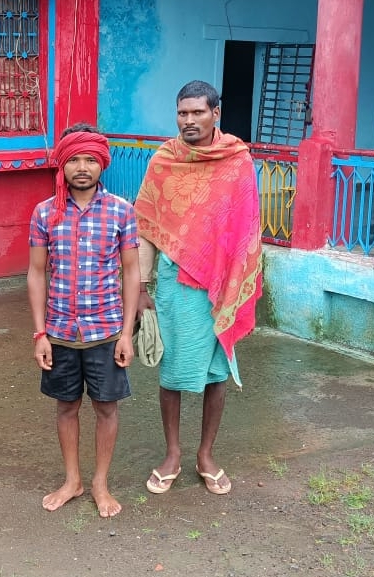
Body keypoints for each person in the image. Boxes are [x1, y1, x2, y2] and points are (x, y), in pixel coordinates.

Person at [135, 80, 262, 496]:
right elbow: (147, 228)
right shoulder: (164, 161)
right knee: (171, 372)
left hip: (220, 283)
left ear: (215, 114)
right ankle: (172, 452)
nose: (189, 121)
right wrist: (139, 287)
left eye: (197, 112)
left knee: (216, 371)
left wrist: (240, 280)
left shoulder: (237, 161)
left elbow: (245, 226)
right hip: (175, 283)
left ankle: (206, 454)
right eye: (182, 113)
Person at [27, 123, 140, 518]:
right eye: (73, 158)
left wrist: (127, 334)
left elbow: (131, 273)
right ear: (61, 164)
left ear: (101, 164)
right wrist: (40, 333)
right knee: (66, 407)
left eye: (90, 159)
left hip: (106, 331)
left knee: (107, 408)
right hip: (59, 332)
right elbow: (37, 273)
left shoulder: (122, 211)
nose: (81, 167)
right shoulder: (45, 212)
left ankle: (99, 482)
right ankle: (73, 479)